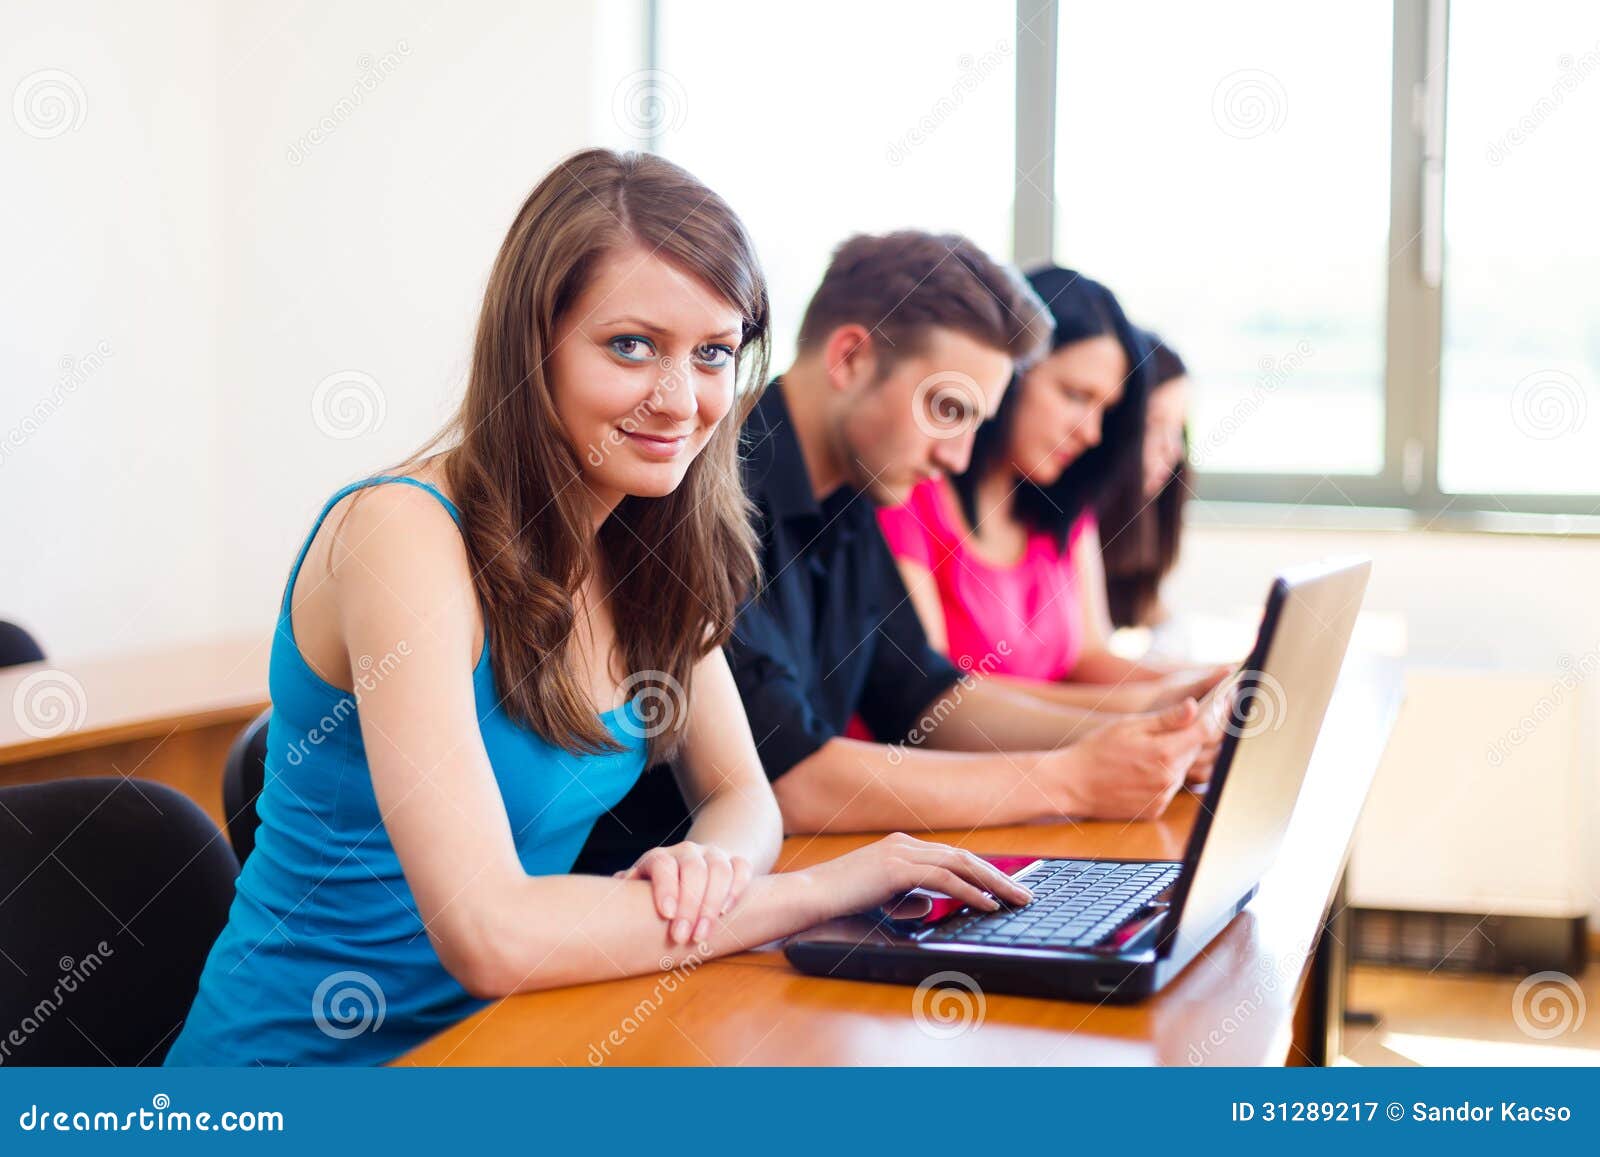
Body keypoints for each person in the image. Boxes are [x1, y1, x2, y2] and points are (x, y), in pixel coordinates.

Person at [166, 152, 1028, 1067]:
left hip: (517, 1043)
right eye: (630, 345)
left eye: (712, 354)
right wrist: (824, 890)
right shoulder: (402, 534)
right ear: (531, 342)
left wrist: (714, 865)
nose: (679, 399)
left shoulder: (656, 542)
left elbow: (742, 794)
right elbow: (489, 933)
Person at [580, 235, 1214, 871]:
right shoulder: (704, 495)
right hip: (643, 906)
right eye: (947, 410)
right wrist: (1071, 779)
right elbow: (793, 779)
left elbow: (926, 698)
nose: (956, 457)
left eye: (975, 422)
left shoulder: (854, 491)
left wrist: (1152, 717)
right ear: (851, 358)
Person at [872, 268, 1223, 770]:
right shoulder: (911, 493)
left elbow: (1088, 657)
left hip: (1040, 784)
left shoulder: (1063, 507)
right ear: (1009, 375)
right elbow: (936, 701)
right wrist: (1152, 710)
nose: (1091, 433)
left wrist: (1203, 684)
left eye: (1105, 410)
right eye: (1076, 396)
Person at [1100, 332, 1190, 628]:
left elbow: (1155, 620)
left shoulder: (1137, 537)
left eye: (1178, 428)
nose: (1173, 450)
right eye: (1155, 424)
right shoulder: (1071, 533)